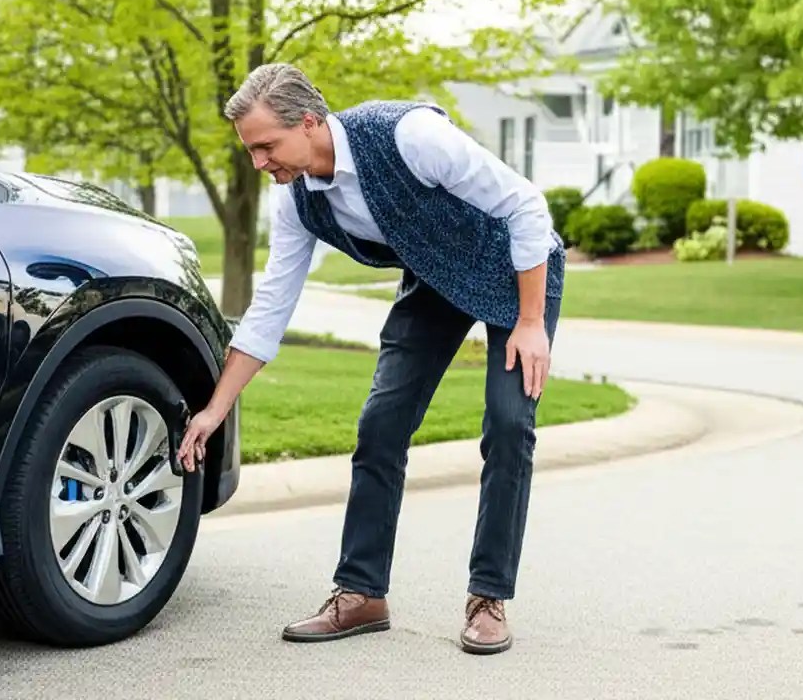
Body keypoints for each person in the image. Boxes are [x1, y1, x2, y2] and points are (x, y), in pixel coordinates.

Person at [176, 63, 566, 655]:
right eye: (251, 151)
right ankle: (361, 594)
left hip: (514, 272)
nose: (260, 164)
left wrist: (532, 323)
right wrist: (214, 410)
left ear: (307, 123)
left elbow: (527, 207)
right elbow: (269, 310)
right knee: (380, 424)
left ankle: (488, 598)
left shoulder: (409, 135)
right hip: (434, 279)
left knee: (510, 425)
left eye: (265, 147)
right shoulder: (297, 201)